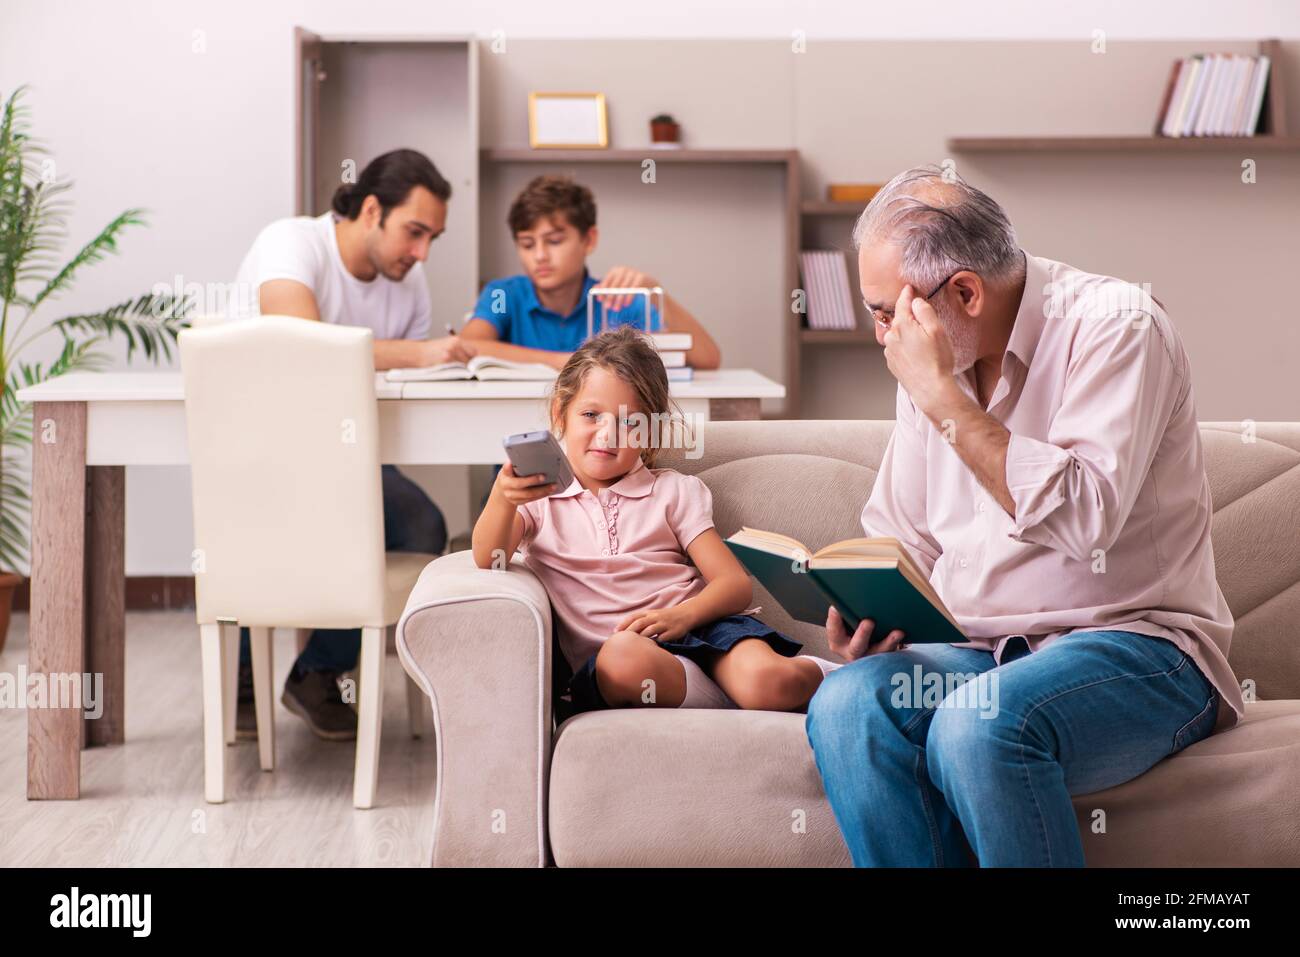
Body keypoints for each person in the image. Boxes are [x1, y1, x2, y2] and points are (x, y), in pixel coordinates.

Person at [804, 165, 1243, 867]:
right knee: (849, 706)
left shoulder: (1116, 326)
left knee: (978, 727)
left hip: (1140, 651)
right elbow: (902, 532)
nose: (883, 336)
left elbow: (1085, 518)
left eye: (888, 312)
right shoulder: (928, 356)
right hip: (979, 651)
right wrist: (870, 602)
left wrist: (945, 399)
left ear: (966, 292)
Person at [228, 149, 470, 740]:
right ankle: (243, 680)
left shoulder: (408, 285)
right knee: (262, 530)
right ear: (369, 210)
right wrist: (421, 352)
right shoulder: (292, 243)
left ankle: (316, 673)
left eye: (432, 238)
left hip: (349, 454)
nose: (421, 254)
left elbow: (401, 389)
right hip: (258, 458)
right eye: (414, 233)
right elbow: (303, 344)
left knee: (420, 525)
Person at [472, 325, 836, 714]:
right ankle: (724, 698)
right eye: (591, 414)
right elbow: (487, 555)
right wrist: (502, 496)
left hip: (705, 629)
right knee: (624, 659)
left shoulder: (672, 492)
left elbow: (734, 585)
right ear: (561, 413)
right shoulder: (541, 499)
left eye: (629, 422)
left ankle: (847, 681)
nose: (607, 434)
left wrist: (682, 616)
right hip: (629, 656)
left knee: (768, 682)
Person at [460, 174, 721, 371]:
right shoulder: (503, 295)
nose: (539, 255)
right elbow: (467, 346)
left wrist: (655, 293)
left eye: (554, 241)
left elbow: (708, 358)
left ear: (589, 239)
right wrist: (567, 362)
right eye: (527, 244)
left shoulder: (620, 300)